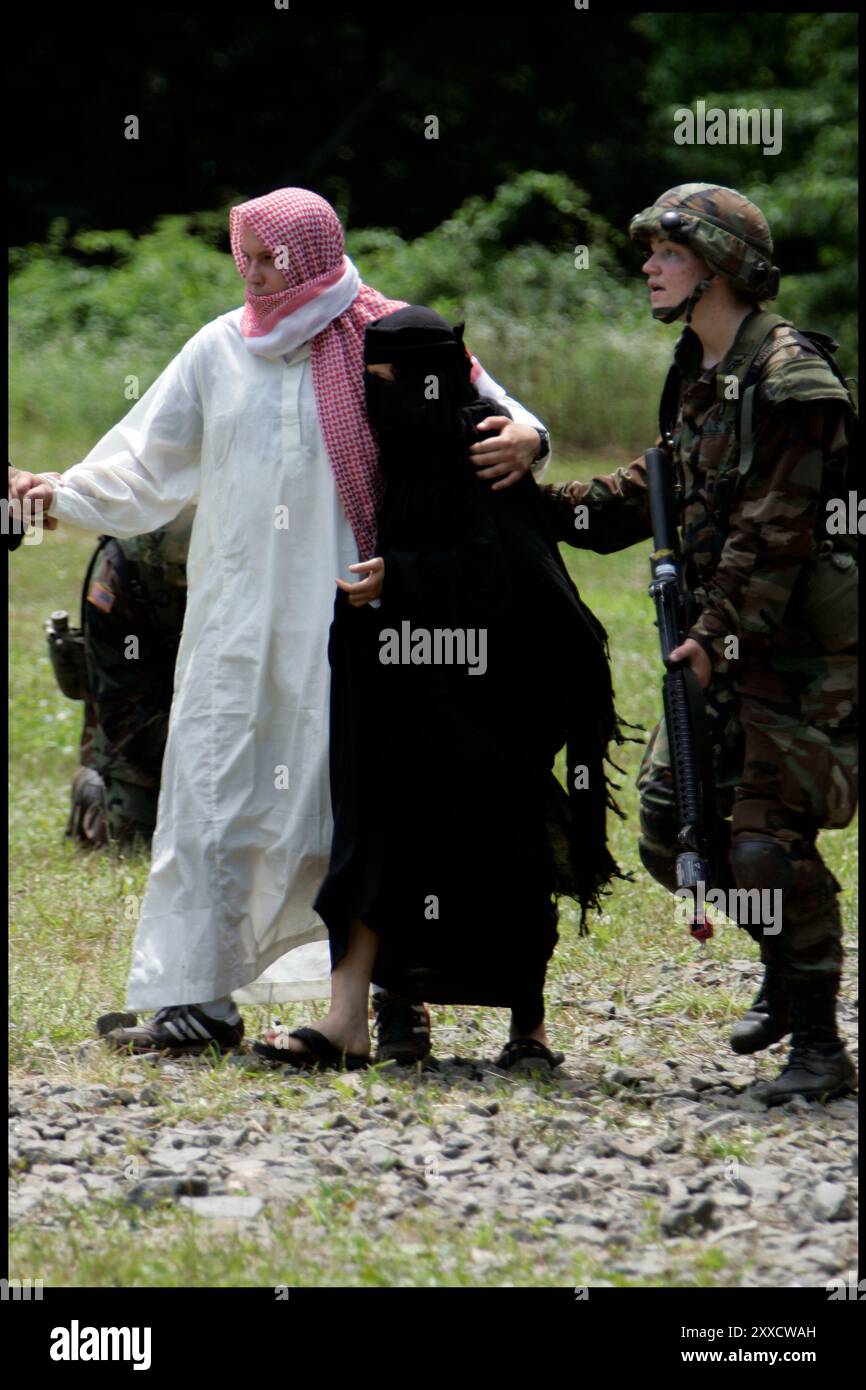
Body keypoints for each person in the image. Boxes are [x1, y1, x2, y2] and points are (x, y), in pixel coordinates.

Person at [14, 188, 552, 1057]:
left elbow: (496, 406)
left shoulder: (384, 335)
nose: (256, 275)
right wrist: (59, 493)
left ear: (314, 253)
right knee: (215, 788)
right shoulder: (221, 349)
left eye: (273, 260)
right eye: (248, 257)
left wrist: (529, 438)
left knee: (346, 806)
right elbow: (145, 462)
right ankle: (200, 1001)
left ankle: (381, 999)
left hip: (350, 615)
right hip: (235, 615)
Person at [542, 183, 858, 1105]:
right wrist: (530, 492)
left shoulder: (792, 380)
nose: (648, 266)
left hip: (799, 658)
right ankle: (783, 964)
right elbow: (652, 489)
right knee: (666, 829)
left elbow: (777, 532)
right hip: (722, 645)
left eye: (666, 253)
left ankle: (819, 1044)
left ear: (718, 267)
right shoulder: (699, 372)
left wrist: (714, 635)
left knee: (763, 844)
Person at [253, 306, 626, 1071]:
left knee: (505, 856)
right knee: (374, 843)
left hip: (492, 700)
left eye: (388, 384)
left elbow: (514, 576)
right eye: (369, 385)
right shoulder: (396, 457)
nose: (376, 401)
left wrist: (407, 579)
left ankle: (529, 1031)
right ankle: (350, 1018)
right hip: (401, 691)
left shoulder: (485, 446)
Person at [53, 514, 193, 850]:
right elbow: (123, 715)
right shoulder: (119, 576)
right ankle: (93, 788)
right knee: (137, 842)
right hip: (147, 727)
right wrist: (205, 748)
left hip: (223, 718)